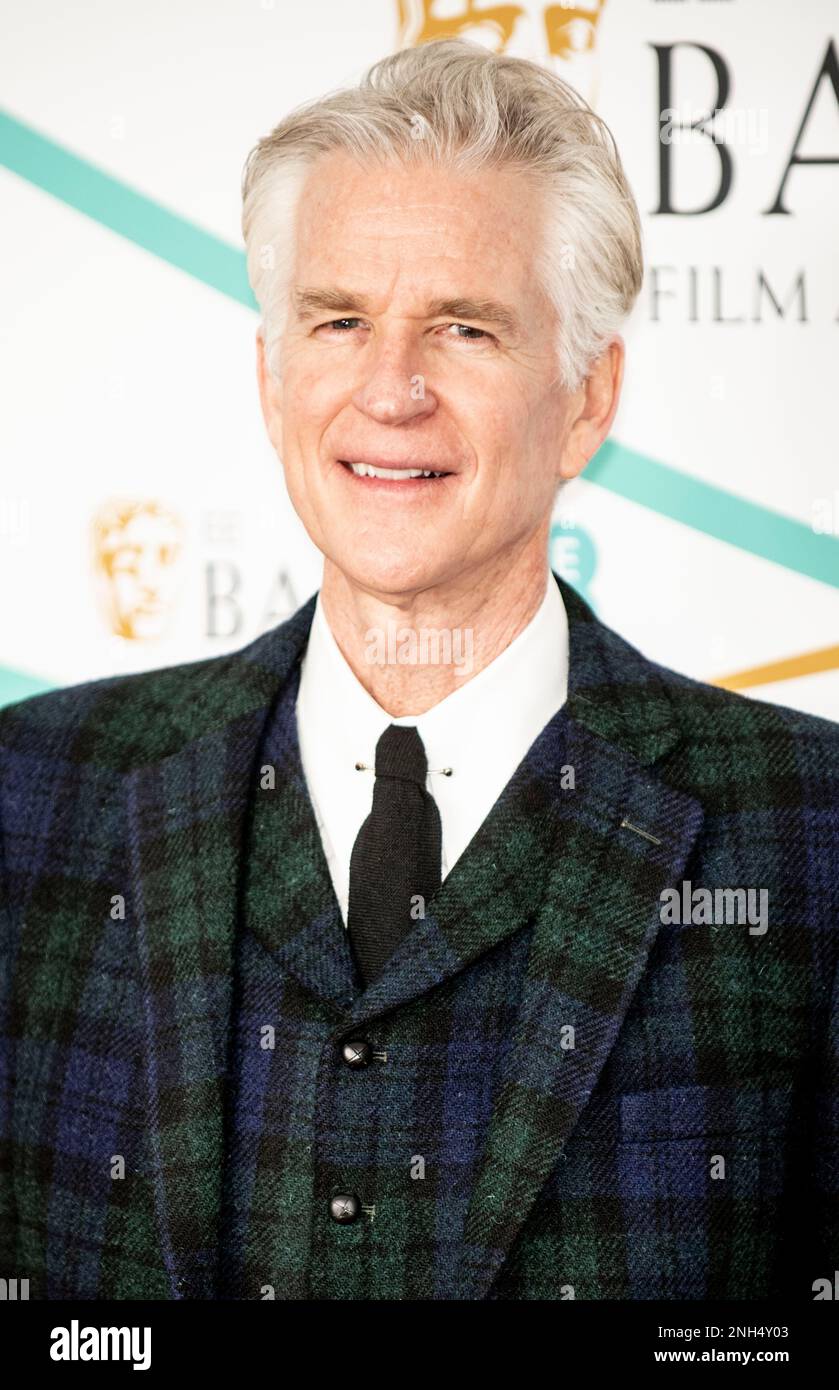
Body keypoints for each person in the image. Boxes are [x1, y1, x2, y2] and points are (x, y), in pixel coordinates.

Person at [1, 38, 837, 1302]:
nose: (390, 390)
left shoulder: (808, 831)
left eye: (463, 327)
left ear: (587, 396)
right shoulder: (29, 795)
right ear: (272, 375)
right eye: (339, 320)